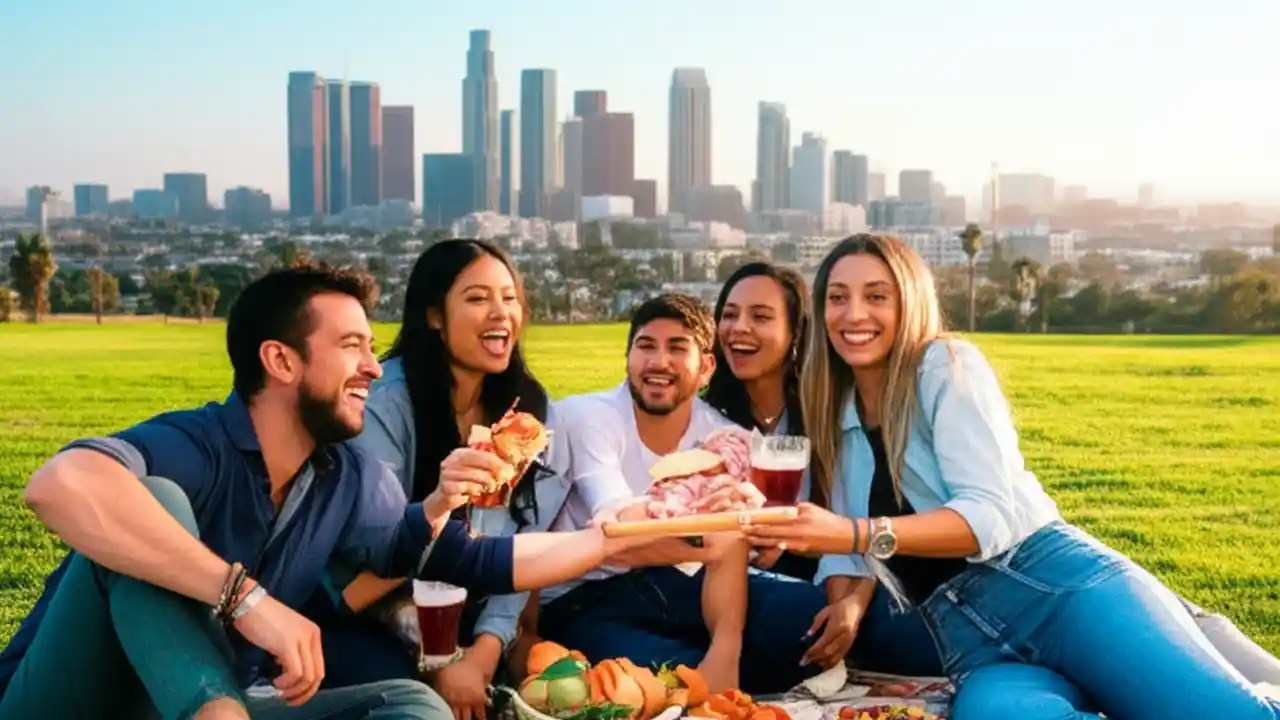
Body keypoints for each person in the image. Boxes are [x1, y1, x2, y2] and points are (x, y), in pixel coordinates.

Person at [0, 263, 649, 720]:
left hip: (236, 697)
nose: (373, 366)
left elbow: (473, 560)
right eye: (351, 347)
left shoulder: (345, 475)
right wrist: (245, 598)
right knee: (153, 506)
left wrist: (615, 537)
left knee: (407, 703)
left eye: (371, 347)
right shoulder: (198, 445)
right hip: (73, 698)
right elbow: (60, 484)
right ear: (281, 361)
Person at [743, 234, 1280, 719]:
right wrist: (847, 603)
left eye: (876, 296)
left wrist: (853, 533)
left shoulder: (944, 365)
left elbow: (988, 516)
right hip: (973, 645)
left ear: (909, 302)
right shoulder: (838, 408)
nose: (853, 313)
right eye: (838, 297)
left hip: (1059, 595)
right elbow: (846, 549)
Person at [310, 239, 571, 720]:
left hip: (469, 614)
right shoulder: (384, 405)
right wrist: (442, 660)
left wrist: (486, 651)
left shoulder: (526, 411)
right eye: (476, 298)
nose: (500, 314)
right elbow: (371, 560)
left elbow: (521, 545)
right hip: (367, 615)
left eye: (509, 297)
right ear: (434, 316)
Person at [535, 292, 826, 695]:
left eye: (677, 348)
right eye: (646, 346)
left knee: (808, 617)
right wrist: (714, 534)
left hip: (678, 583)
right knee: (676, 673)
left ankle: (719, 667)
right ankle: (695, 672)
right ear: (628, 359)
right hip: (583, 594)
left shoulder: (725, 439)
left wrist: (726, 649)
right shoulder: (589, 416)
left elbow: (738, 546)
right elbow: (621, 527)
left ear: (706, 367)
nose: (658, 362)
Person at [703, 261, 943, 677]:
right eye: (729, 314)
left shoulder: (828, 411)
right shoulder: (708, 419)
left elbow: (857, 519)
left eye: (760, 316)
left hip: (838, 574)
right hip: (735, 583)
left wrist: (853, 600)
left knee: (894, 628)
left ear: (797, 331)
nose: (738, 328)